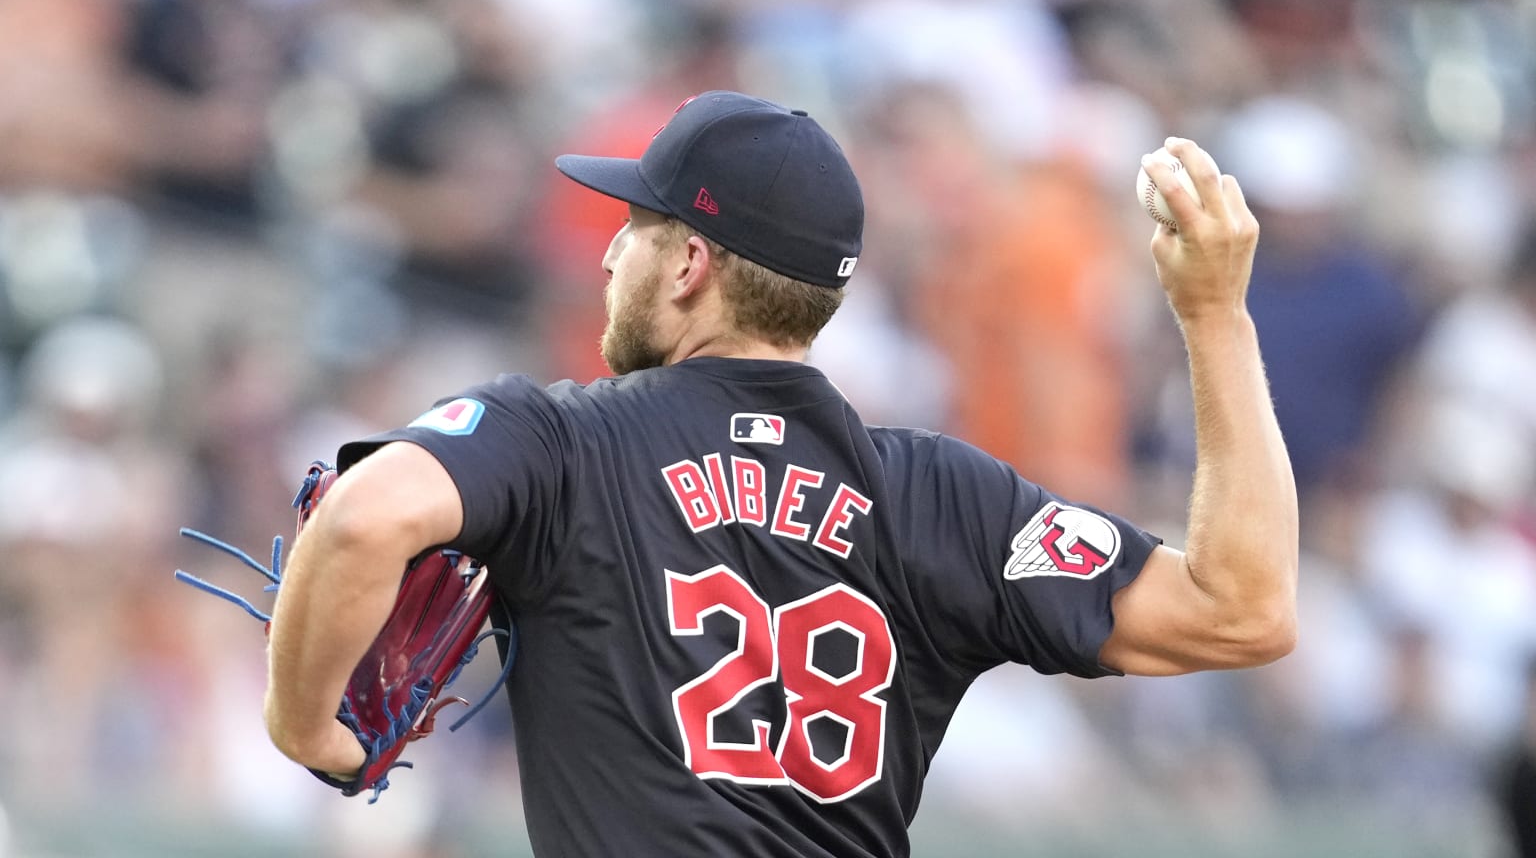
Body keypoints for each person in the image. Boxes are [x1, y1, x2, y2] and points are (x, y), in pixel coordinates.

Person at [261, 90, 1297, 857]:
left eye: (636, 228)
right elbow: (1243, 610)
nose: (612, 257)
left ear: (690, 266)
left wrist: (309, 731)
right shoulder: (941, 495)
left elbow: (362, 520)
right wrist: (1215, 316)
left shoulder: (558, 442)